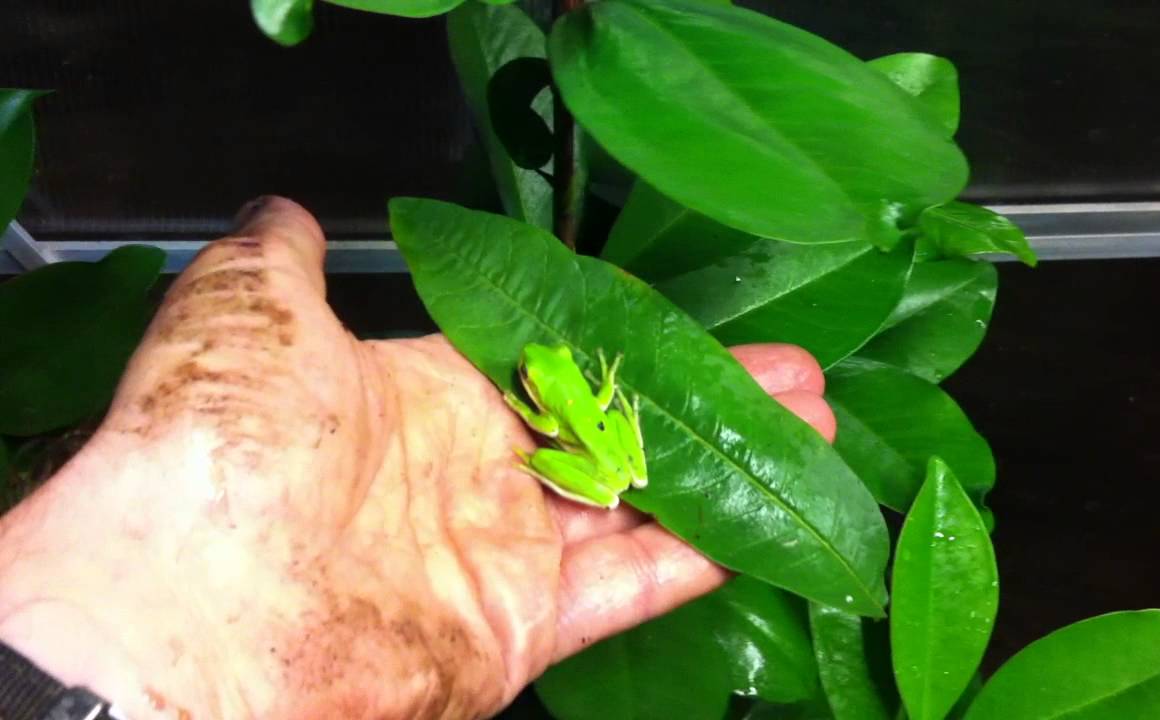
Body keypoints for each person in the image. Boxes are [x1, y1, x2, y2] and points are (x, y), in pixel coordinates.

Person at [0, 197, 837, 719]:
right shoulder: (558, 386)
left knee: (570, 452)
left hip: (573, 440)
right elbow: (569, 396)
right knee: (616, 455)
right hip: (606, 440)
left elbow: (544, 406)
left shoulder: (536, 396)